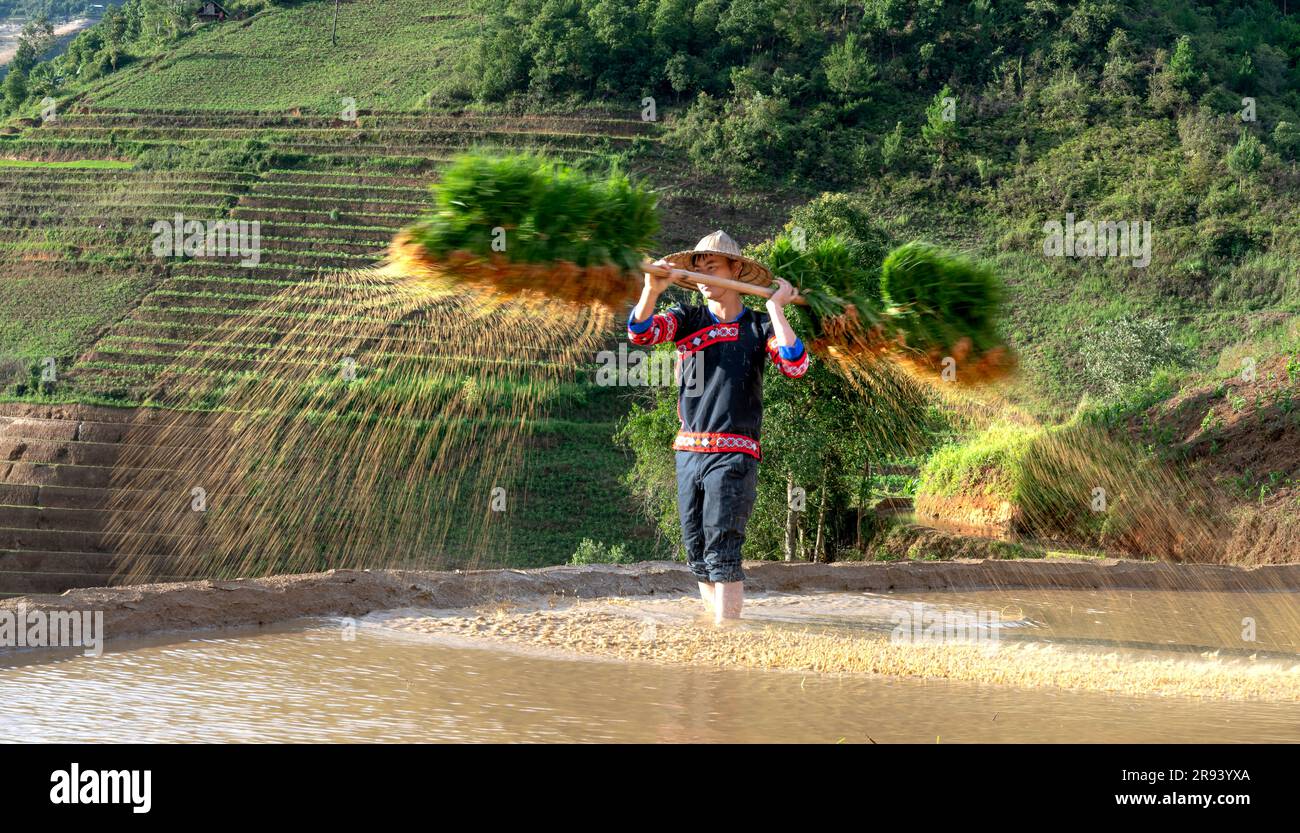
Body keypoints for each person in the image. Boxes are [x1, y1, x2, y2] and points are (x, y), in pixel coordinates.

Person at [627, 230, 809, 625]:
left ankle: (729, 639)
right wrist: (651, 289)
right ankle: (714, 630)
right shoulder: (685, 319)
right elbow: (640, 333)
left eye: (714, 269)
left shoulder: (761, 328)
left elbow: (795, 364)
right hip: (689, 451)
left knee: (723, 550)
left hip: (734, 452)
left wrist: (778, 309)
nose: (706, 279)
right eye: (700, 271)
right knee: (697, 554)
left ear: (736, 271)